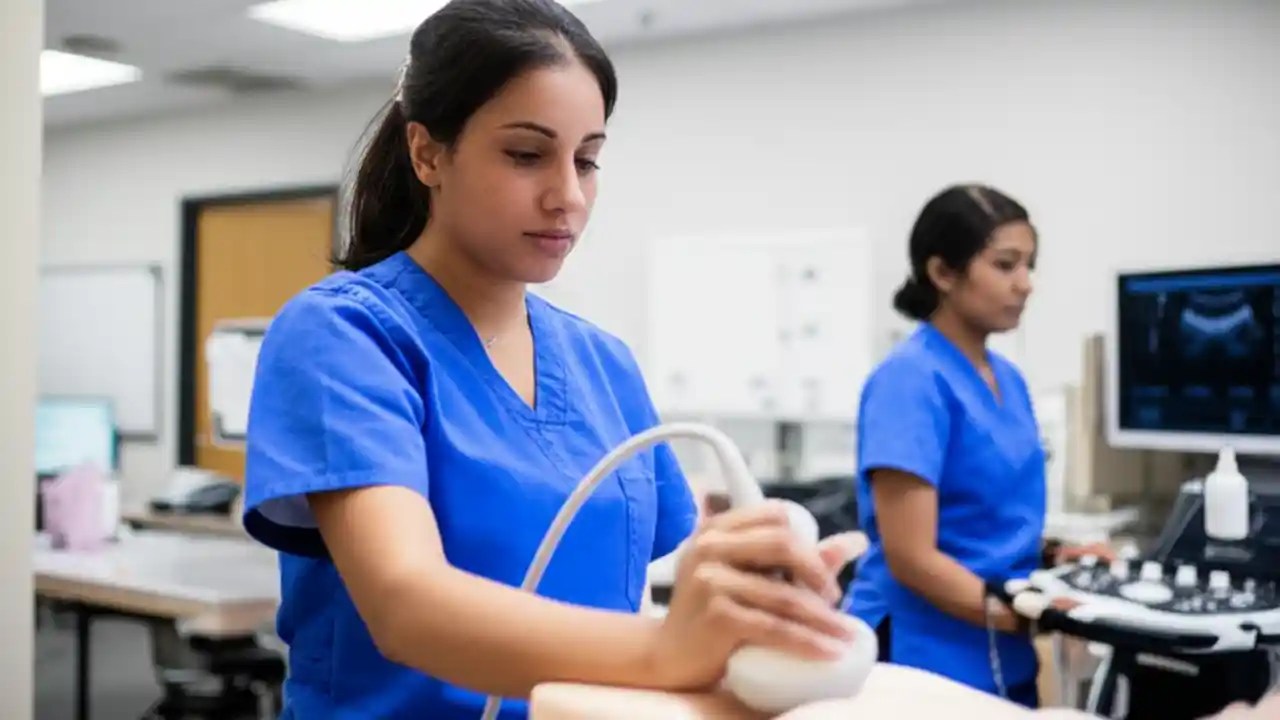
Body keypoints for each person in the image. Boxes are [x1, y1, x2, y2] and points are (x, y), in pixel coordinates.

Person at [240, 1, 861, 718]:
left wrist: (760, 601)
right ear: (427, 153)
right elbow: (404, 603)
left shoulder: (605, 366)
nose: (568, 195)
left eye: (588, 160)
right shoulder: (344, 337)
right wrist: (667, 651)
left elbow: (640, 580)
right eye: (526, 154)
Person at [843, 184, 1110, 708]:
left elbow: (986, 520)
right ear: (943, 273)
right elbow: (912, 557)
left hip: (999, 649)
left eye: (1029, 266)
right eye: (1006, 265)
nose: (1026, 284)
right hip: (920, 655)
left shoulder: (1009, 380)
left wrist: (1055, 559)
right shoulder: (910, 380)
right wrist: (1032, 614)